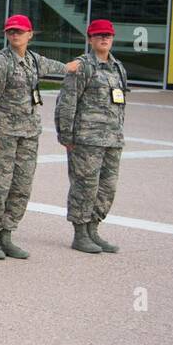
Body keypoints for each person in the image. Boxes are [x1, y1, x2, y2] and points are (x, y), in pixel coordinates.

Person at [0, 15, 79, 259]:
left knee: (21, 186)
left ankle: (7, 234)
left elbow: (55, 67)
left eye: (20, 31)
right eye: (11, 31)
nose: (15, 35)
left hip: (28, 135)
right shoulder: (0, 62)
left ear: (30, 34)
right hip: (2, 136)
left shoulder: (34, 60)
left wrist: (70, 66)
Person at [56, 19, 128, 255]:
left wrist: (119, 133)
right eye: (98, 35)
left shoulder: (118, 67)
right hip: (86, 140)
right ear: (89, 39)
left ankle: (93, 229)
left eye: (108, 35)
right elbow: (67, 102)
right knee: (84, 187)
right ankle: (80, 234)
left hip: (112, 140)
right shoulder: (83, 66)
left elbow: (120, 104)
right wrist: (66, 135)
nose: (104, 39)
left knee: (107, 189)